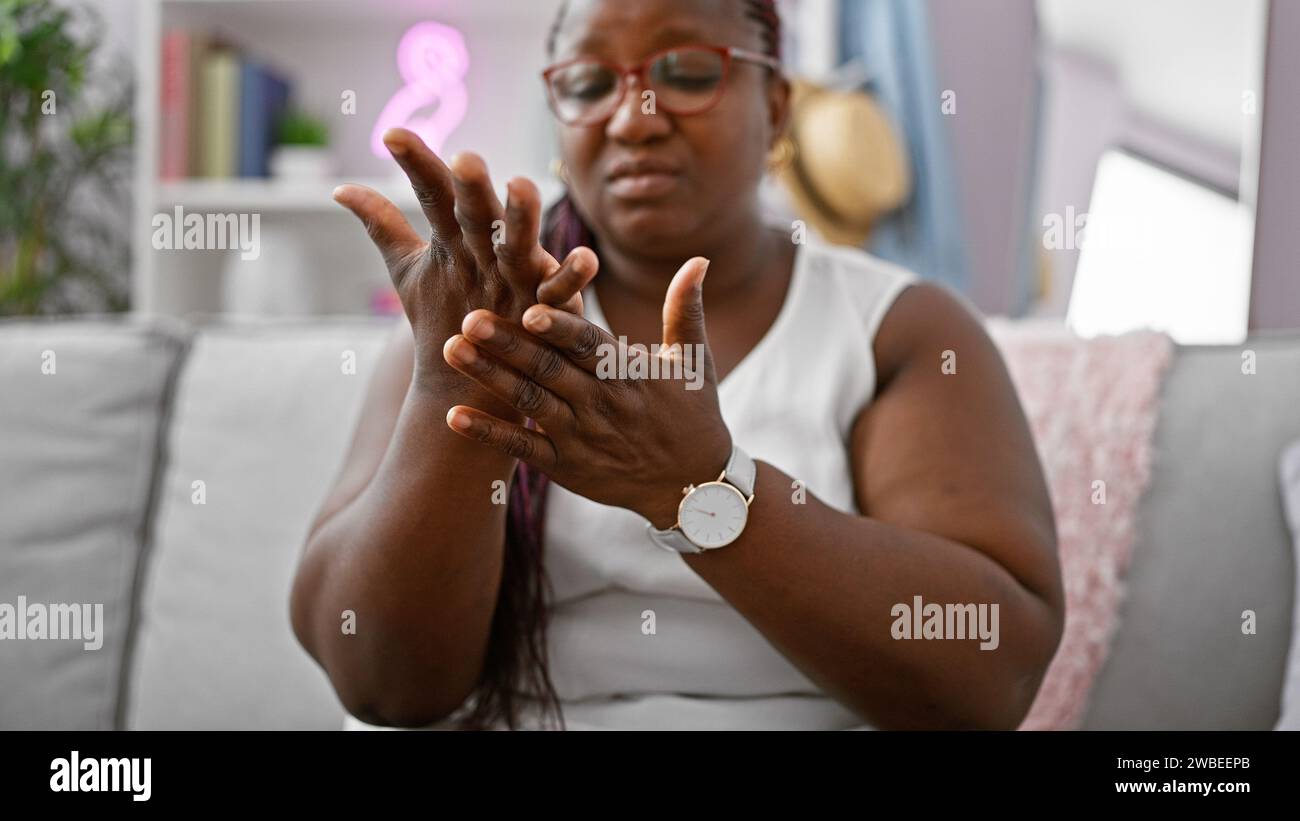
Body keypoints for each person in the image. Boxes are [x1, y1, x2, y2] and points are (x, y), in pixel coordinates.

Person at [289, 0, 1064, 731]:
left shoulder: (896, 327)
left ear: (774, 109)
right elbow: (383, 684)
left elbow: (991, 673)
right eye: (589, 85)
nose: (633, 118)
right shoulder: (473, 324)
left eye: (688, 74)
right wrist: (454, 389)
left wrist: (702, 490)